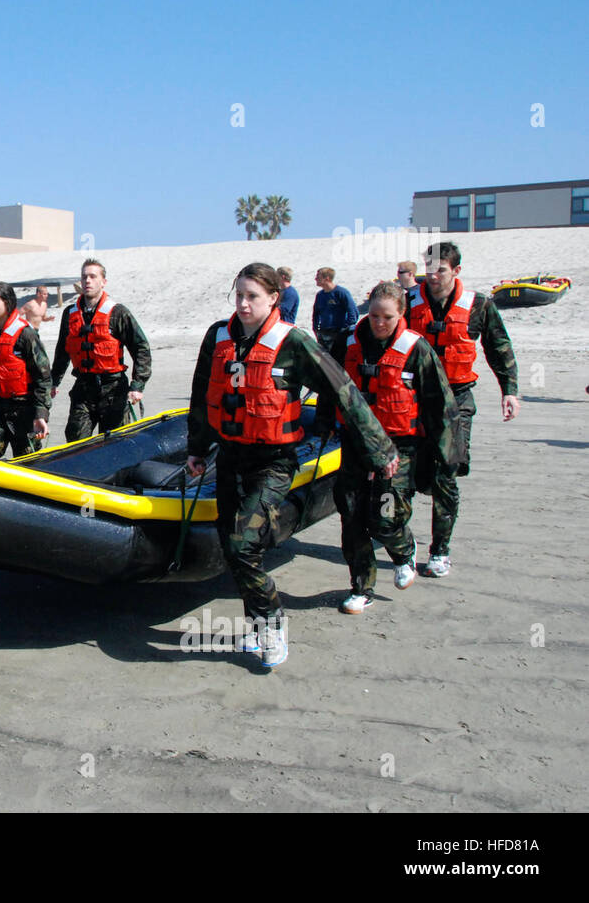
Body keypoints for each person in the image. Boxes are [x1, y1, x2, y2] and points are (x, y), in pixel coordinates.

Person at [186, 263, 398, 667]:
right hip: (230, 457)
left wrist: (380, 449)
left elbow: (345, 392)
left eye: (253, 297)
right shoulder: (217, 336)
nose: (244, 304)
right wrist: (197, 448)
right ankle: (256, 626)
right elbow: (201, 393)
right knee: (235, 550)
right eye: (239, 296)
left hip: (272, 463)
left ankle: (272, 622)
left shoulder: (294, 342)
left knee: (242, 541)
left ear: (273, 299)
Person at [318, 281, 461, 613]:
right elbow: (328, 388)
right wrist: (323, 426)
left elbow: (440, 405)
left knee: (385, 517)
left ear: (401, 315)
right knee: (351, 515)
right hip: (355, 445)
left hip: (399, 449)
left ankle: (404, 551)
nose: (379, 323)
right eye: (374, 315)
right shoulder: (346, 343)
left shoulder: (417, 349)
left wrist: (447, 455)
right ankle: (361, 586)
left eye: (387, 317)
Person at [407, 241, 520, 578]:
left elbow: (499, 347)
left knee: (446, 474)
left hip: (457, 401)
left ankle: (440, 550)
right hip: (410, 400)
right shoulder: (406, 302)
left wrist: (510, 391)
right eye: (428, 270)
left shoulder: (479, 305)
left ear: (456, 271)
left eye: (440, 270)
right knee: (405, 476)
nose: (432, 276)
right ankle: (401, 542)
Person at [50, 259, 151, 441]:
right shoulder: (70, 314)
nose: (87, 281)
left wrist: (137, 385)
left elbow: (141, 348)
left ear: (103, 281)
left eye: (92, 276)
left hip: (113, 389)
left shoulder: (118, 313)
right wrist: (54, 382)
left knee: (115, 445)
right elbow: (62, 352)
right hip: (83, 388)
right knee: (75, 442)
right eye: (84, 277)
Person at [0, 281, 51, 457]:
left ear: (7, 302)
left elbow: (43, 376)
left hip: (24, 410)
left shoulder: (25, 334)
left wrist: (40, 415)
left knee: (28, 465)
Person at [312, 267, 359, 356]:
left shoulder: (341, 293)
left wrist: (344, 330)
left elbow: (353, 312)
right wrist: (316, 328)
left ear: (327, 278)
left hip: (338, 333)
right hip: (324, 333)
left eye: (318, 277)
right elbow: (316, 313)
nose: (315, 279)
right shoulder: (320, 295)